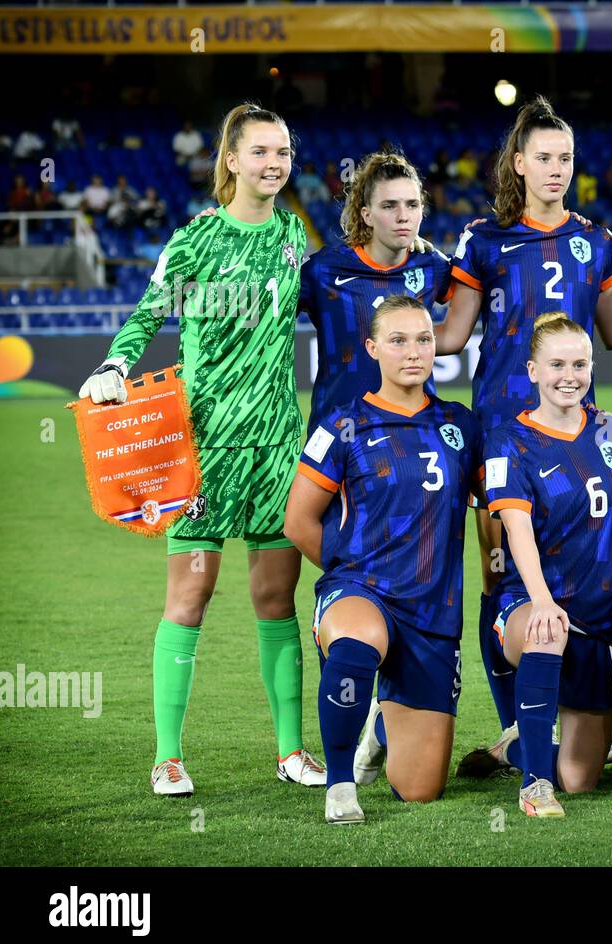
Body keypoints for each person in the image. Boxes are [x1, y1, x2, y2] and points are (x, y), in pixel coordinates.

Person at [78, 103, 320, 797]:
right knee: (191, 594)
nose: (275, 164)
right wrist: (116, 366)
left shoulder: (290, 239)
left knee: (277, 599)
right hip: (202, 450)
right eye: (262, 152)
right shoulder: (193, 240)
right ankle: (168, 756)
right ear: (233, 160)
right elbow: (147, 313)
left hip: (276, 448)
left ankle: (290, 750)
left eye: (284, 153)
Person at [437, 96, 612, 749]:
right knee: (502, 579)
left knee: (585, 573)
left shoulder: (594, 242)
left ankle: (584, 712)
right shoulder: (485, 240)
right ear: (520, 163)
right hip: (501, 433)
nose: (556, 169)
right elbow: (451, 336)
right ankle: (515, 729)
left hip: (579, 439)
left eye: (566, 159)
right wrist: (383, 325)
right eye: (544, 158)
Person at [285, 296, 481, 823]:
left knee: (420, 789)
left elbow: (497, 505)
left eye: (423, 339)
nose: (413, 351)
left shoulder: (461, 427)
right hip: (361, 590)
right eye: (397, 340)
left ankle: (379, 730)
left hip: (433, 612)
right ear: (372, 348)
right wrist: (346, 570)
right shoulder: (342, 424)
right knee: (357, 640)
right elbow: (298, 520)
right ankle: (341, 783)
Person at [483, 312, 612, 817]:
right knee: (546, 631)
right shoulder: (509, 441)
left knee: (580, 779)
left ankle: (511, 749)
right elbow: (517, 531)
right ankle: (533, 784)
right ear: (533, 370)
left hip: (599, 619)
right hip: (530, 604)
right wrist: (543, 602)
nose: (568, 375)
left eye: (580, 364)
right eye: (556, 364)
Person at [297, 150, 452, 435]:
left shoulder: (434, 266)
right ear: (367, 214)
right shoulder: (323, 271)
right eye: (390, 206)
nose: (403, 216)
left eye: (412, 205)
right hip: (338, 440)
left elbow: (487, 285)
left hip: (411, 436)